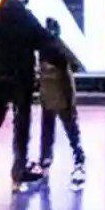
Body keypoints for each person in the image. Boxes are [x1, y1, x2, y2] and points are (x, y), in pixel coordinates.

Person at [0, 0, 66, 196]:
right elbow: (44, 41)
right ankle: (18, 174)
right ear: (22, 0)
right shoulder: (26, 18)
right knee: (21, 128)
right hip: (21, 80)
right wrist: (58, 52)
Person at [36, 18, 86, 185]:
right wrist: (71, 100)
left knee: (48, 130)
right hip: (60, 97)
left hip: (48, 97)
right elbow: (67, 80)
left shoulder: (44, 51)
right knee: (71, 129)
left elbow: (43, 79)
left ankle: (45, 160)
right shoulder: (59, 52)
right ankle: (78, 159)